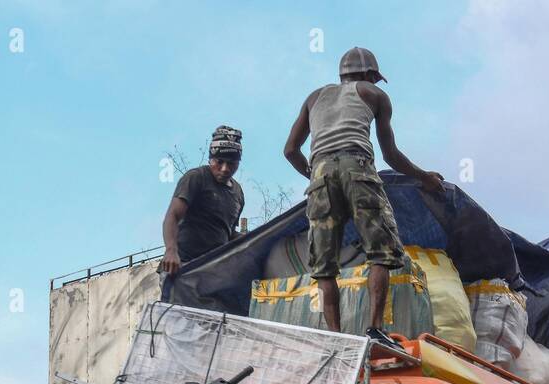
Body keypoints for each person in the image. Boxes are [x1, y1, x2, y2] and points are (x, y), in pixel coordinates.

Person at [283, 47, 443, 333]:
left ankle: (335, 336)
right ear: (369, 75)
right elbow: (390, 155)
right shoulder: (374, 95)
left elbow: (291, 150)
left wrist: (315, 173)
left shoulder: (314, 97)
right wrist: (424, 178)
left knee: (323, 266)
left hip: (320, 173)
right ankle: (375, 328)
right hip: (357, 167)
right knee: (380, 252)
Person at [161, 126, 245, 276]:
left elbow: (227, 232)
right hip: (182, 266)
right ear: (210, 159)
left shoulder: (238, 193)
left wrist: (254, 239)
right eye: (219, 162)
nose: (225, 168)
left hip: (213, 272)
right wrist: (171, 251)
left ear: (238, 163)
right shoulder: (196, 178)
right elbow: (172, 216)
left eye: (231, 163)